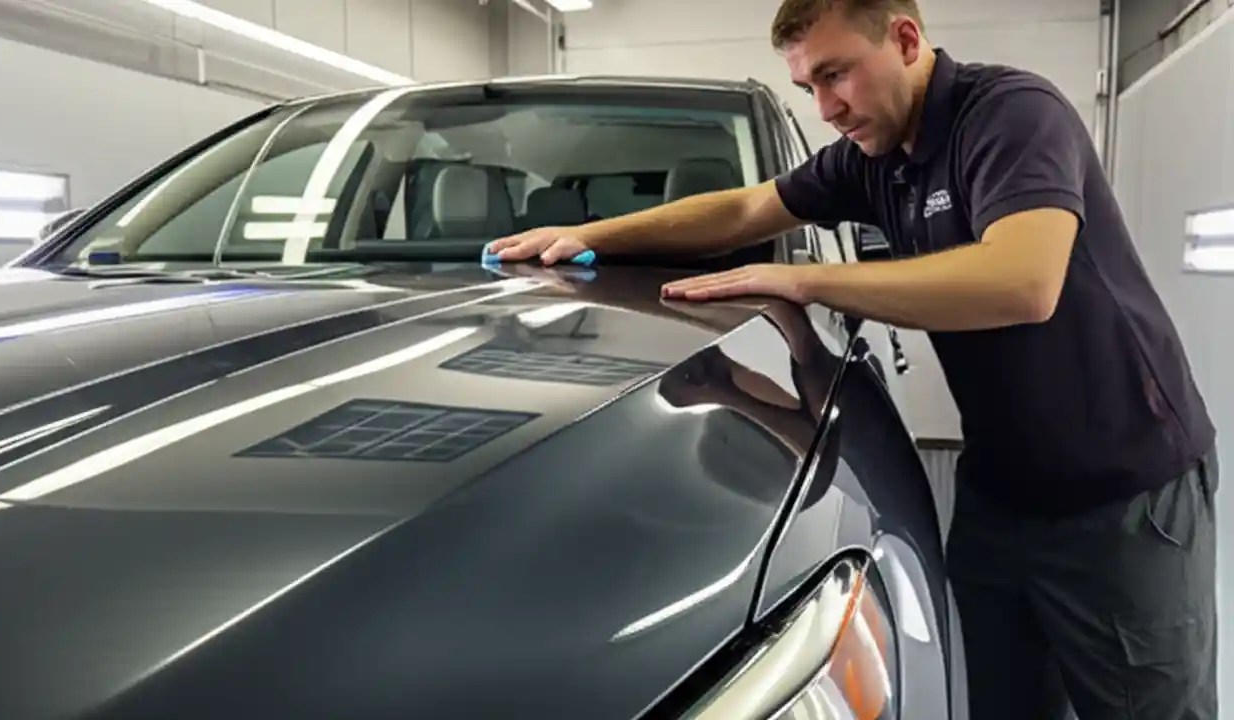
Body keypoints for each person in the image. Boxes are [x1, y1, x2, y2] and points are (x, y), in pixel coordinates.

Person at [487, 0, 1219, 717]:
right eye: (809, 88)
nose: (826, 109)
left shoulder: (1010, 113)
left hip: (1123, 496)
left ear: (905, 40)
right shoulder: (872, 159)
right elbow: (746, 210)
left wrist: (800, 278)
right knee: (997, 701)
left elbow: (1023, 283)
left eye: (837, 75)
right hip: (999, 492)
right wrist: (590, 234)